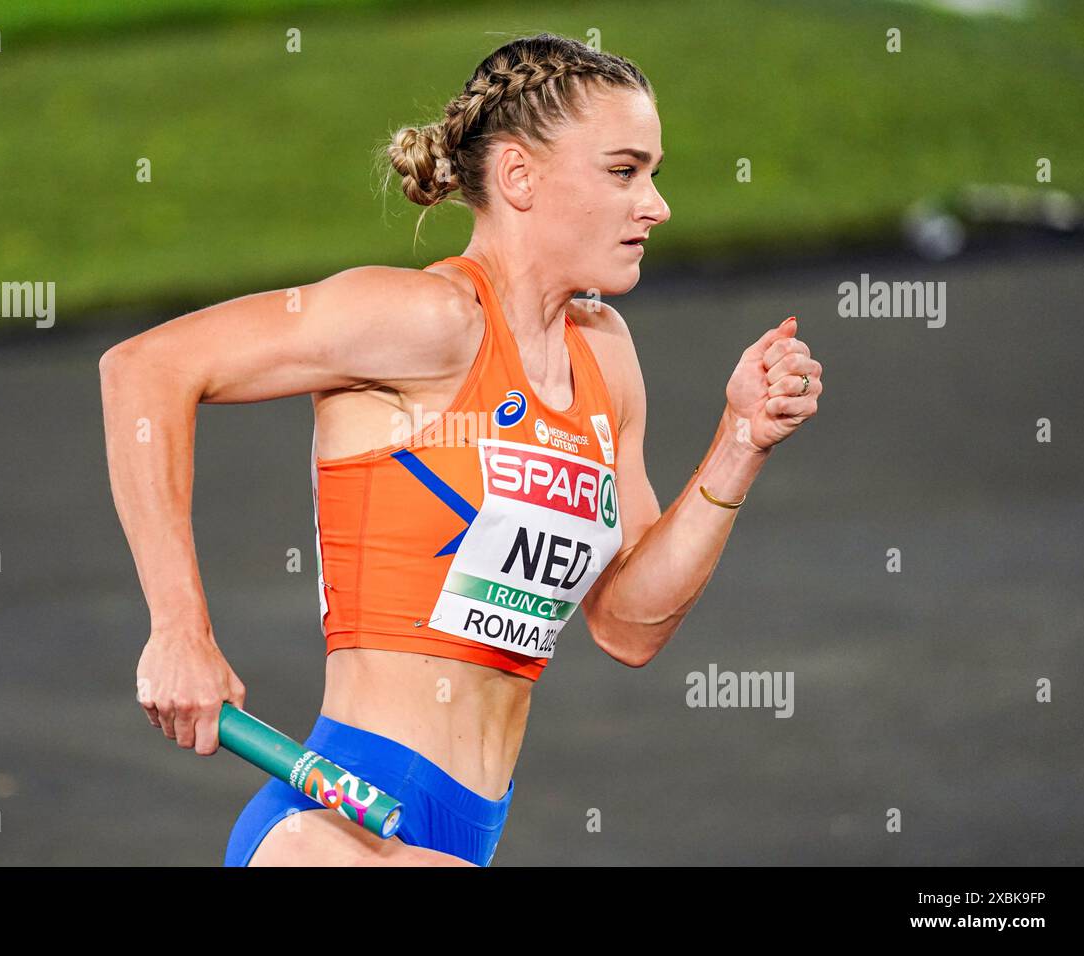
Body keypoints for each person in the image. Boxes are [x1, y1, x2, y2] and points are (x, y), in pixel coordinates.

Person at [98, 32, 823, 867]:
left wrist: (740, 442)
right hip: (337, 828)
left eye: (654, 174)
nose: (655, 204)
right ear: (519, 177)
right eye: (624, 172)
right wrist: (179, 631)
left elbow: (627, 624)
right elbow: (145, 370)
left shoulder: (605, 355)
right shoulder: (428, 320)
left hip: (457, 833)